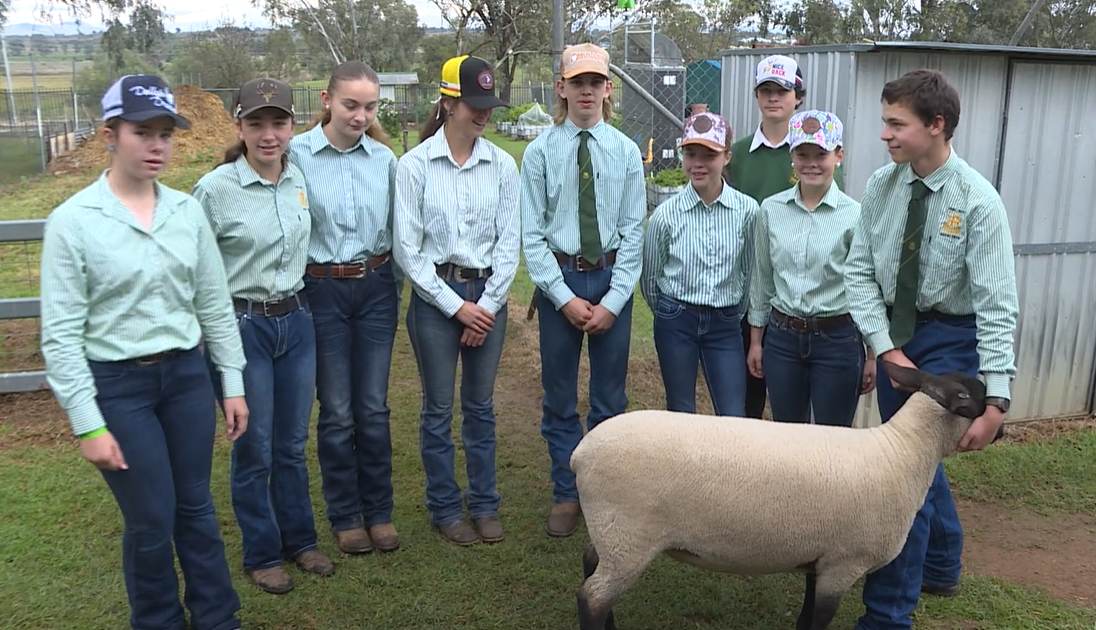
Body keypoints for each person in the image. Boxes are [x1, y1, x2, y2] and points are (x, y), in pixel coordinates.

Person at [39, 74, 248, 630]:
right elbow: (60, 336)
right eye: (142, 132)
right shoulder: (74, 223)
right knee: (151, 518)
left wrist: (231, 382)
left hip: (184, 377)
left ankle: (217, 616)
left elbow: (214, 303)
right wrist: (88, 424)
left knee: (196, 507)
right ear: (110, 134)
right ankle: (157, 621)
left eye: (166, 133)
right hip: (118, 387)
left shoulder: (187, 213)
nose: (157, 145)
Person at [844, 69, 1018, 630]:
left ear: (936, 125)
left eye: (897, 124)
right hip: (897, 332)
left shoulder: (977, 203)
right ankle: (942, 561)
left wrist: (996, 402)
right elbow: (858, 273)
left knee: (904, 483)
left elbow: (997, 306)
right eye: (885, 122)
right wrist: (887, 348)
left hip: (951, 339)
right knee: (915, 464)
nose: (885, 135)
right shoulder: (881, 186)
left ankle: (888, 615)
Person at [192, 77, 334, 595]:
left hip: (296, 321)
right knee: (254, 446)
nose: (268, 134)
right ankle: (262, 552)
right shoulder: (215, 189)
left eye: (278, 122)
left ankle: (300, 540)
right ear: (239, 126)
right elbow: (197, 268)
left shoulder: (297, 177)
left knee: (292, 444)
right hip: (242, 326)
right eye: (257, 123)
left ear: (293, 126)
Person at [393, 54, 520, 546]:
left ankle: (485, 503)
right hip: (435, 299)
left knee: (481, 408)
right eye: (474, 104)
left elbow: (510, 245)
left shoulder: (503, 166)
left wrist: (485, 307)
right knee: (438, 408)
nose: (484, 114)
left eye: (489, 104)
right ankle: (445, 506)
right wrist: (455, 307)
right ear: (448, 103)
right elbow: (409, 249)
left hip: (487, 296)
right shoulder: (415, 166)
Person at [520, 42, 646, 538]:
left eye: (596, 82)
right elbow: (532, 233)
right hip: (562, 280)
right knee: (558, 397)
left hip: (611, 276)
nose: (587, 91)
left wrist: (614, 301)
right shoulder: (540, 152)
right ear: (562, 88)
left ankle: (604, 493)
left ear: (607, 88)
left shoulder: (624, 152)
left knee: (610, 398)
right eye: (578, 83)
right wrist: (562, 295)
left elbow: (635, 229)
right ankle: (566, 491)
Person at [287, 61, 402, 556]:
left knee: (372, 407)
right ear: (326, 100)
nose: (360, 116)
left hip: (376, 286)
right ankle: (345, 515)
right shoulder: (296, 157)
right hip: (323, 289)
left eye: (370, 107)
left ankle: (379, 510)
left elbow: (401, 230)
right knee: (336, 410)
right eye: (351, 105)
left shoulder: (384, 160)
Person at [724, 54, 846, 421]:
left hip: (801, 296)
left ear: (798, 97)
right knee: (751, 396)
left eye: (783, 90)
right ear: (756, 96)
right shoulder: (738, 154)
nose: (774, 97)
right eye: (766, 90)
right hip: (752, 290)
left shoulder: (816, 156)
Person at [747, 109, 875, 427]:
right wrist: (755, 341)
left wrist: (873, 353)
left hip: (837, 338)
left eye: (821, 154)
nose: (811, 163)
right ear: (792, 156)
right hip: (783, 339)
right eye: (802, 154)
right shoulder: (771, 210)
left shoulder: (856, 216)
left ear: (838, 155)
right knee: (788, 436)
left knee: (834, 439)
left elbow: (867, 286)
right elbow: (763, 278)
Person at [640, 111, 758, 416]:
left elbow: (749, 271)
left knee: (733, 412)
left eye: (709, 155)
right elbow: (651, 276)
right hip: (677, 318)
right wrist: (670, 312)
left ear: (727, 156)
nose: (698, 163)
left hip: (725, 322)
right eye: (691, 154)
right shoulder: (666, 215)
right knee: (681, 411)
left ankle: (728, 465)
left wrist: (734, 310)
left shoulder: (746, 212)